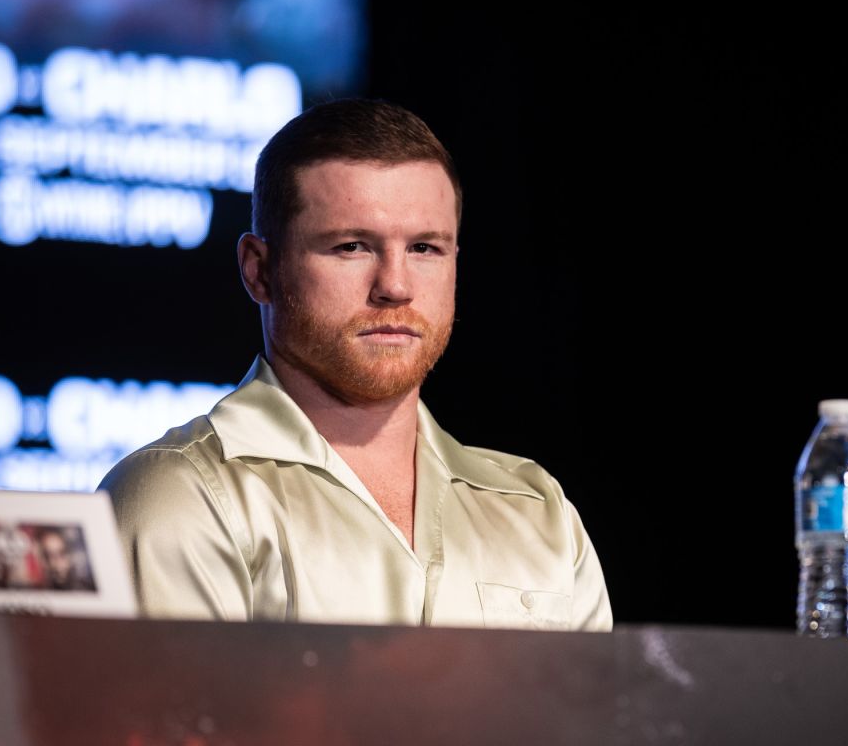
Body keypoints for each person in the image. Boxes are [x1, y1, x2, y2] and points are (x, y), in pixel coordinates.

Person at [99, 99, 612, 631]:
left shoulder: (539, 513)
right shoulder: (183, 497)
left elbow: (601, 715)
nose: (395, 285)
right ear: (260, 271)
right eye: (351, 246)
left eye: (424, 248)